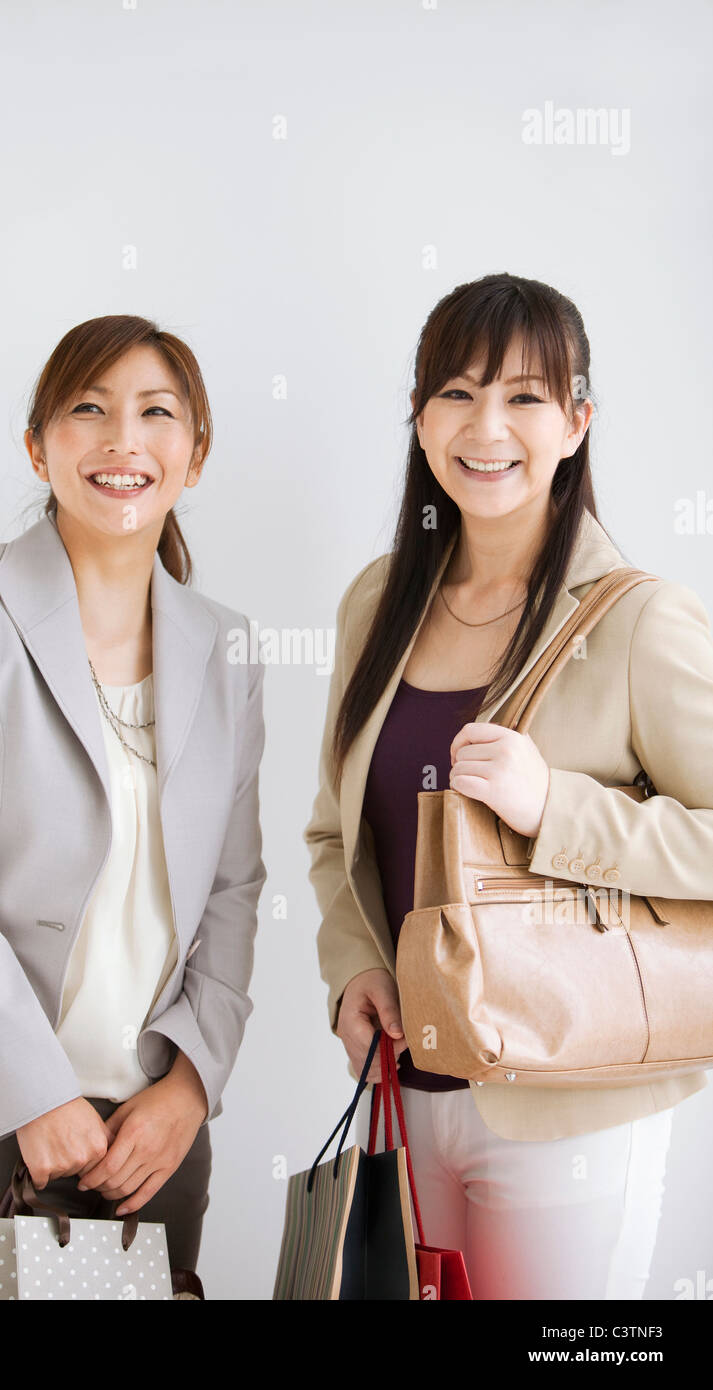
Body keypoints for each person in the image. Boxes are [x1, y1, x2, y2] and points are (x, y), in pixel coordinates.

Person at [304, 272, 713, 1300]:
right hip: (408, 1087)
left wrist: (556, 809)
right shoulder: (374, 603)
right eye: (457, 391)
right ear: (418, 414)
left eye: (525, 395)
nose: (486, 427)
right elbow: (334, 836)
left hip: (570, 1103)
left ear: (576, 423)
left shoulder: (637, 619)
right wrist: (354, 966)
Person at [0, 314, 267, 1299]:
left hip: (151, 1132)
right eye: (89, 409)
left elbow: (235, 888)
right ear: (38, 447)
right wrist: (30, 1090)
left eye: (155, 413)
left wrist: (191, 1084)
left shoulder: (227, 646)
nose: (124, 440)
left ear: (195, 453)